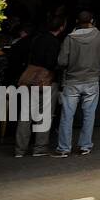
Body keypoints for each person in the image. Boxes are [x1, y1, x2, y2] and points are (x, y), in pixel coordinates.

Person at [55, 11, 100, 157]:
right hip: (92, 80)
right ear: (92, 20)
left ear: (76, 21)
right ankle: (85, 146)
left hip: (72, 81)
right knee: (89, 115)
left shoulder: (69, 38)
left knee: (67, 116)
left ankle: (64, 148)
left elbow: (61, 61)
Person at [15, 17, 61, 157]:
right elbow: (51, 62)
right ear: (61, 27)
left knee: (25, 115)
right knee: (44, 115)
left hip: (29, 79)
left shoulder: (35, 39)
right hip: (45, 81)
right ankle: (40, 148)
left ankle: (20, 150)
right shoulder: (55, 42)